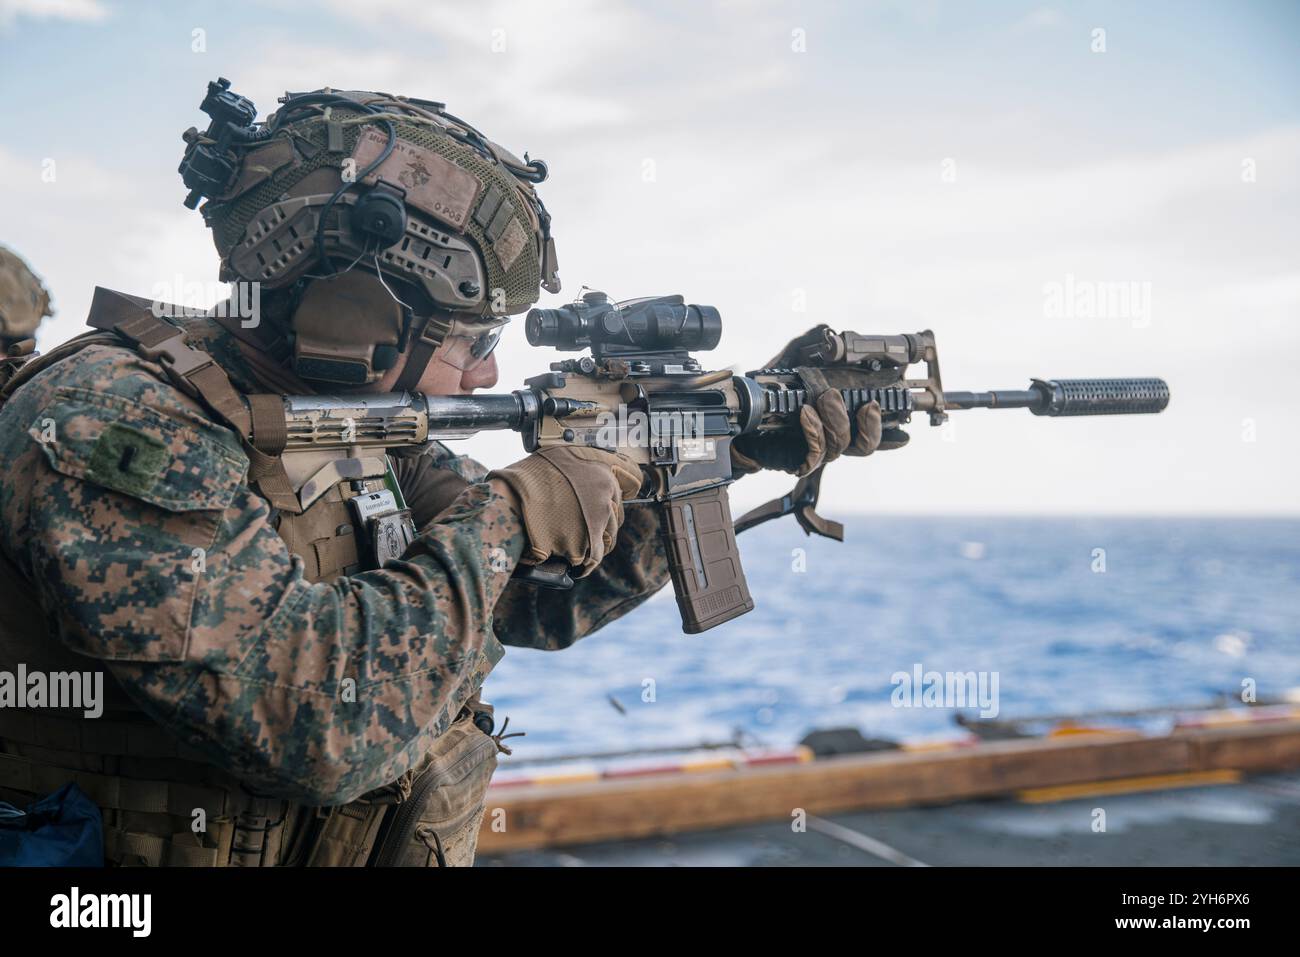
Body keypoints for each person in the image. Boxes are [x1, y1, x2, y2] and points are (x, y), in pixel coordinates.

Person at [0, 84, 883, 867]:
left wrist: (721, 451)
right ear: (357, 315)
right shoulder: (113, 424)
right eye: (474, 341)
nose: (488, 376)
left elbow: (534, 600)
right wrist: (514, 508)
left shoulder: (360, 428)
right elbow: (318, 728)